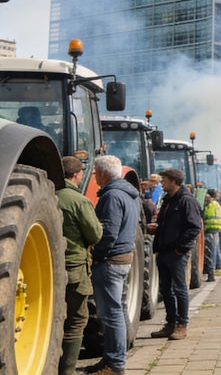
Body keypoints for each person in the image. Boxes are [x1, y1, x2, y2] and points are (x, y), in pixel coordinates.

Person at [87, 155, 140, 375]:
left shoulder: (111, 196)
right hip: (122, 259)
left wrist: (97, 256)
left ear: (102, 173)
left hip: (110, 262)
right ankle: (110, 358)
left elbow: (108, 232)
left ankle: (116, 364)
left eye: (95, 173)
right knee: (114, 311)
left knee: (111, 314)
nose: (94, 177)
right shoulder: (130, 194)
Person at [56, 156, 102, 375]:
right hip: (74, 269)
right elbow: (94, 234)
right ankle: (67, 371)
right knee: (76, 320)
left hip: (51, 270)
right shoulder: (78, 201)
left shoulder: (50, 194)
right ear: (77, 174)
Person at [148, 168, 202, 341]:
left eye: (164, 180)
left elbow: (194, 227)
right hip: (164, 251)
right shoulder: (168, 200)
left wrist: (181, 248)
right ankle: (170, 323)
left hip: (176, 253)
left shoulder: (186, 201)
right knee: (166, 289)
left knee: (179, 289)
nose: (161, 183)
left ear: (173, 181)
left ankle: (181, 325)